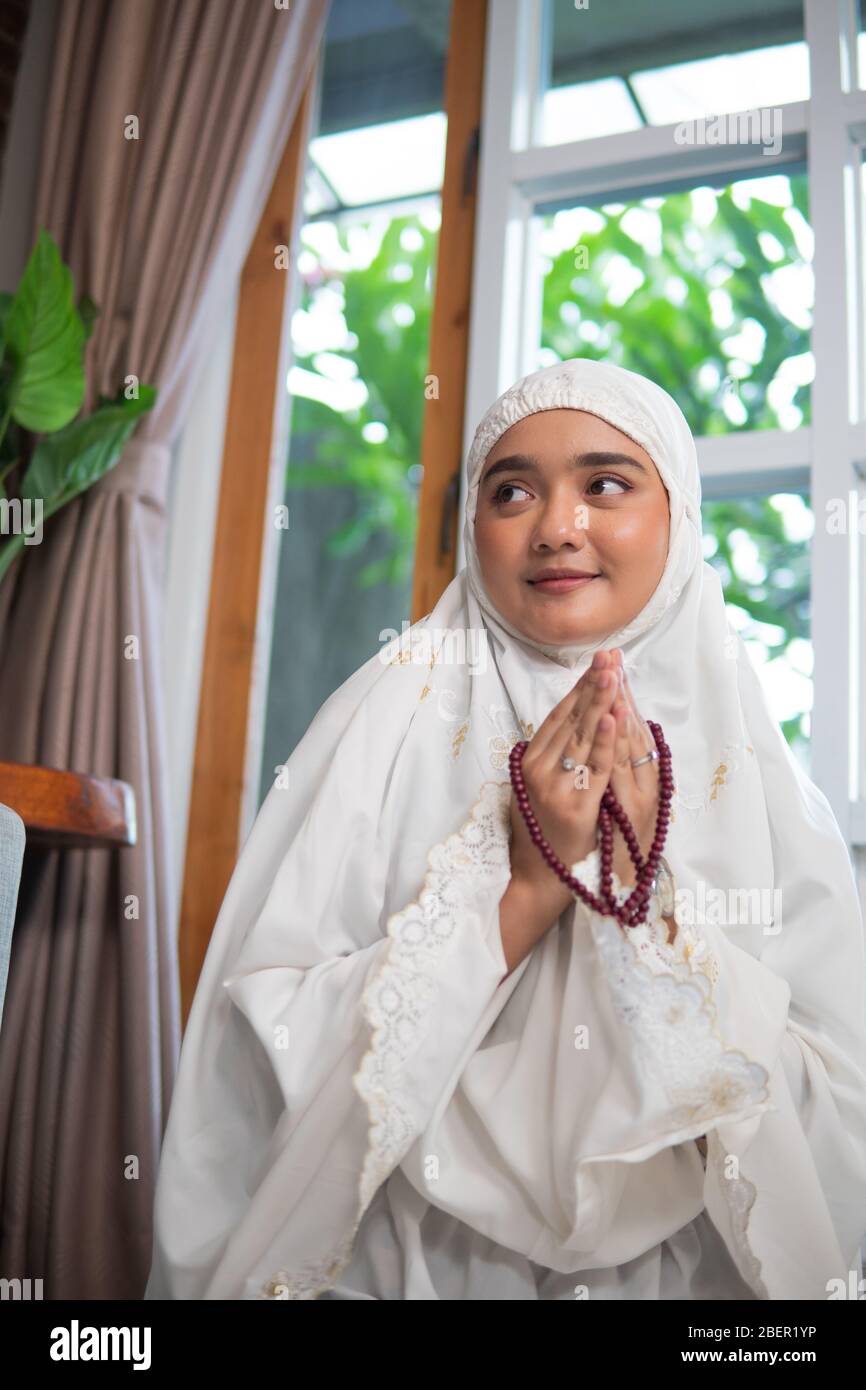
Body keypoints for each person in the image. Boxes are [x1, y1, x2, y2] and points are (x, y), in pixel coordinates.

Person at [145, 357, 866, 1300]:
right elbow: (261, 1048)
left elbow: (838, 1118)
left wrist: (647, 906)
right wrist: (521, 889)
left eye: (606, 484)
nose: (557, 528)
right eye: (512, 491)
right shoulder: (380, 725)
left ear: (678, 517)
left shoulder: (760, 777)